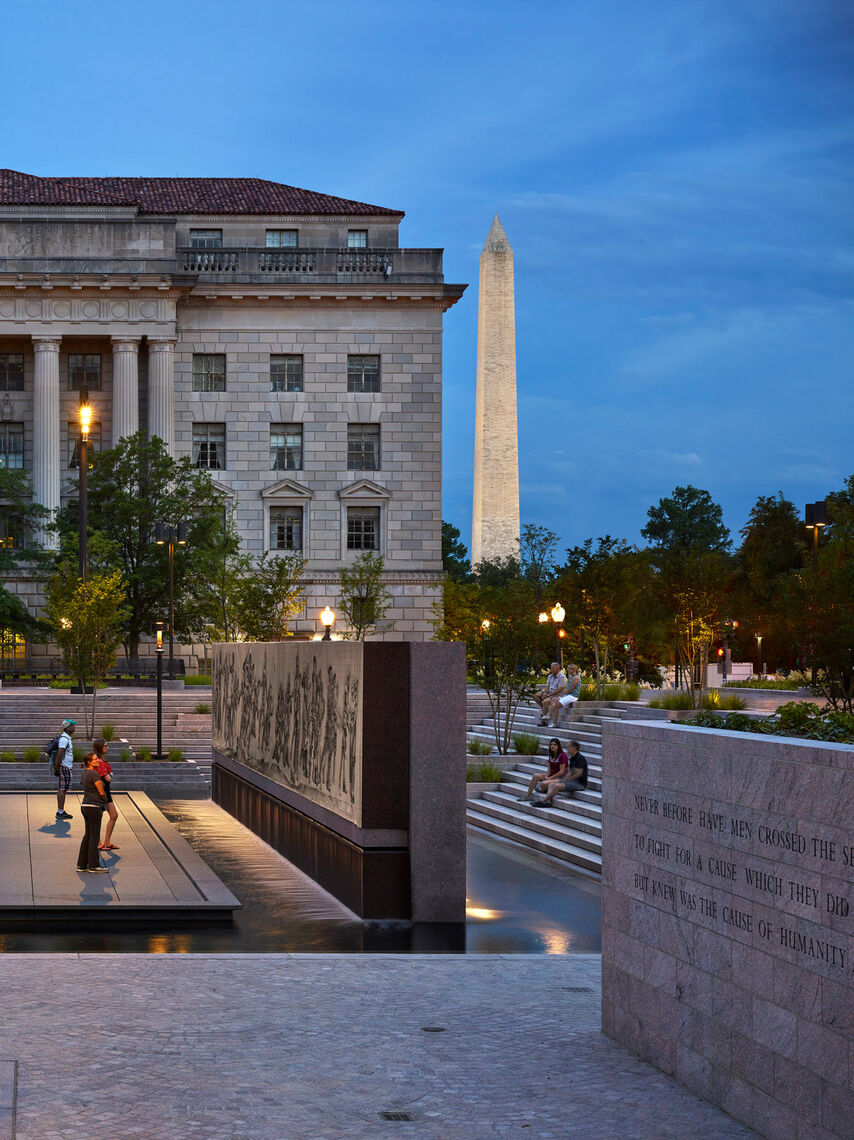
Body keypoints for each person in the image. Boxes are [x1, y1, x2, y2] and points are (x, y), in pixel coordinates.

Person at [76, 753, 108, 873]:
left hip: (85, 806)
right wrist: (105, 800)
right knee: (94, 836)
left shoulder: (84, 773)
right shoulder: (94, 774)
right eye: (95, 760)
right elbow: (100, 791)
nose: (98, 761)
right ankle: (94, 865)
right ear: (89, 762)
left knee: (88, 835)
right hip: (94, 807)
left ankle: (81, 864)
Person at [537, 740, 588, 807]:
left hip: (579, 784)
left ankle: (543, 801)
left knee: (556, 786)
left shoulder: (579, 758)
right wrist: (563, 780)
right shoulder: (572, 758)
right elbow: (569, 772)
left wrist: (567, 781)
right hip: (572, 781)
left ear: (574, 748)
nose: (567, 749)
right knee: (551, 784)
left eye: (568, 747)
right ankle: (548, 802)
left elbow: (578, 774)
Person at [90, 739, 119, 851]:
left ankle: (107, 842)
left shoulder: (102, 760)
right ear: (100, 747)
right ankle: (98, 843)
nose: (107, 747)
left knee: (114, 815)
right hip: (100, 792)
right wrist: (108, 775)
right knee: (99, 818)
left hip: (106, 791)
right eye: (105, 746)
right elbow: (107, 777)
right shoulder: (98, 761)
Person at [55, 718, 76, 820]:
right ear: (67, 728)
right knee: (62, 789)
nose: (74, 727)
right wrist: (57, 769)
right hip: (64, 767)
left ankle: (61, 811)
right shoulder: (64, 739)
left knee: (64, 789)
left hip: (66, 767)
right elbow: (60, 753)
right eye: (72, 725)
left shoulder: (67, 738)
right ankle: (60, 812)